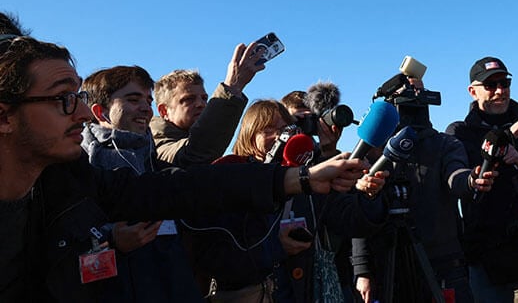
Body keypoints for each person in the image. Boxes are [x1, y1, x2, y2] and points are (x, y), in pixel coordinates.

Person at [0, 18, 366, 301]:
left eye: (77, 96)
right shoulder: (102, 162)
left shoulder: (72, 180)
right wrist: (111, 242)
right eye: (64, 98)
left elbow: (187, 186)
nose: (80, 113)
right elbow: (194, 161)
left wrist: (299, 178)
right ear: (5, 116)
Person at [189, 99, 386, 302]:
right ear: (249, 134)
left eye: (285, 129)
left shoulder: (303, 178)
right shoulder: (229, 173)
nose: (279, 136)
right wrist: (276, 247)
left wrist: (369, 196)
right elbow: (211, 256)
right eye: (268, 129)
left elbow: (348, 220)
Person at [351, 73, 495, 303]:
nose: (414, 99)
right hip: (391, 266)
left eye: (418, 92)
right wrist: (362, 270)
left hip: (443, 264)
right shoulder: (375, 150)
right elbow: (360, 214)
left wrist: (470, 180)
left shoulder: (446, 144)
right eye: (407, 93)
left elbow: (455, 176)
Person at [446, 57, 518, 303]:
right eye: (490, 85)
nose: (500, 91)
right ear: (472, 91)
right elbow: (461, 183)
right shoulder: (458, 132)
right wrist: (513, 134)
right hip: (484, 250)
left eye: (505, 83)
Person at [80, 65, 203, 301]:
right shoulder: (79, 165)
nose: (146, 109)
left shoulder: (157, 164)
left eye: (148, 100)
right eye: (133, 99)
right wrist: (112, 240)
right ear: (100, 111)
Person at [151, 42, 266, 167]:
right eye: (189, 99)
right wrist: (232, 88)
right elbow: (193, 155)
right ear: (164, 111)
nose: (201, 104)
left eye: (205, 98)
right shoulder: (153, 146)